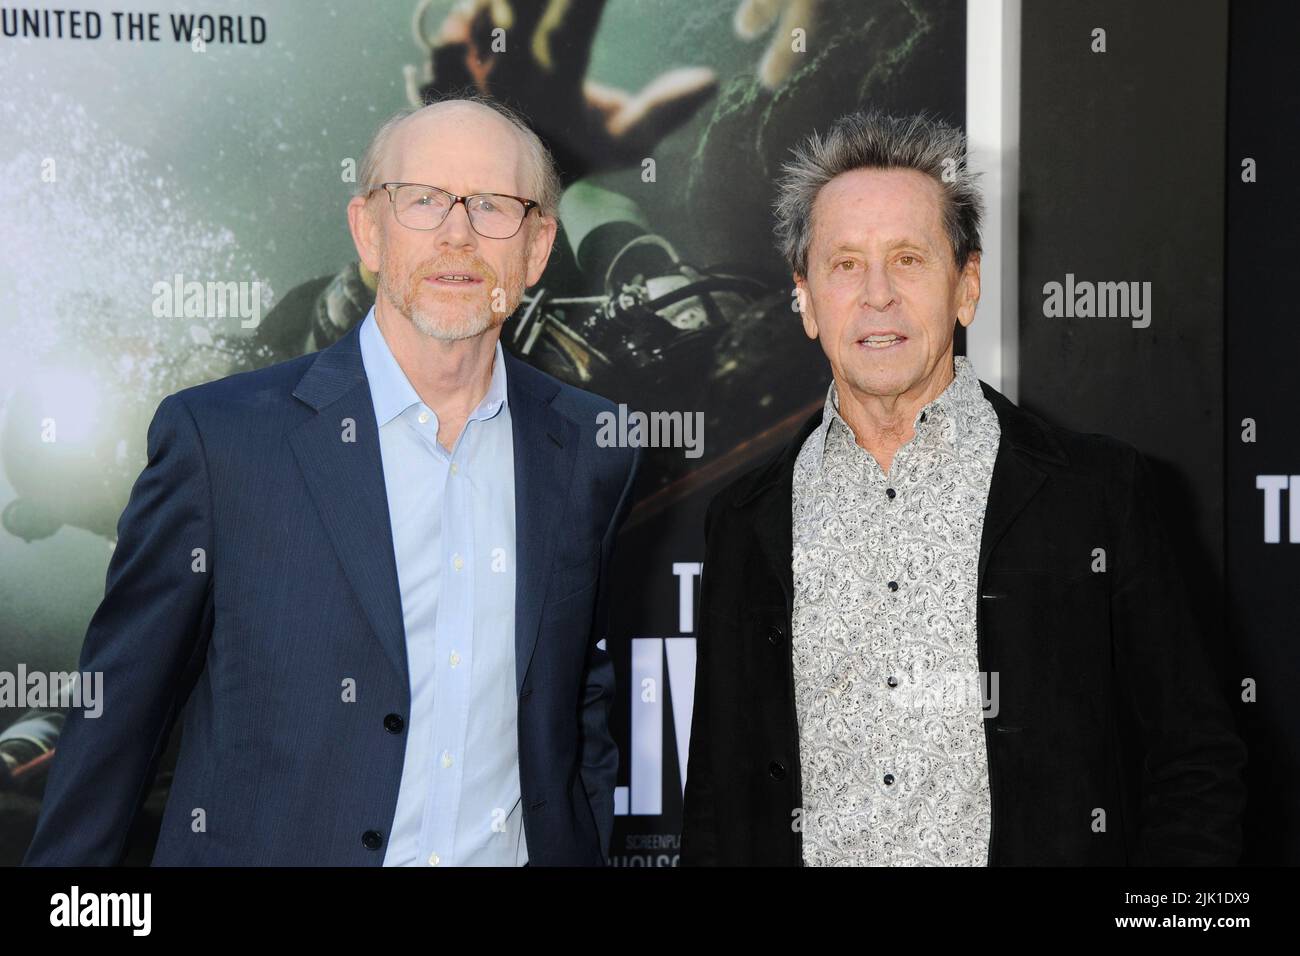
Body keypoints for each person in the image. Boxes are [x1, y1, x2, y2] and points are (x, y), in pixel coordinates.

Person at [24, 96, 638, 866]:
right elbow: (119, 722)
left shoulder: (589, 445)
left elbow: (578, 707)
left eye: (492, 205)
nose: (457, 232)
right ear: (368, 231)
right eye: (421, 200)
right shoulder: (222, 441)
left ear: (539, 246)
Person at [679, 110, 1246, 866]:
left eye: (909, 258)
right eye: (845, 264)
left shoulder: (1096, 496)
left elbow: (1195, 765)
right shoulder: (743, 521)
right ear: (807, 300)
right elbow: (717, 805)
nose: (877, 295)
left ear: (966, 286)